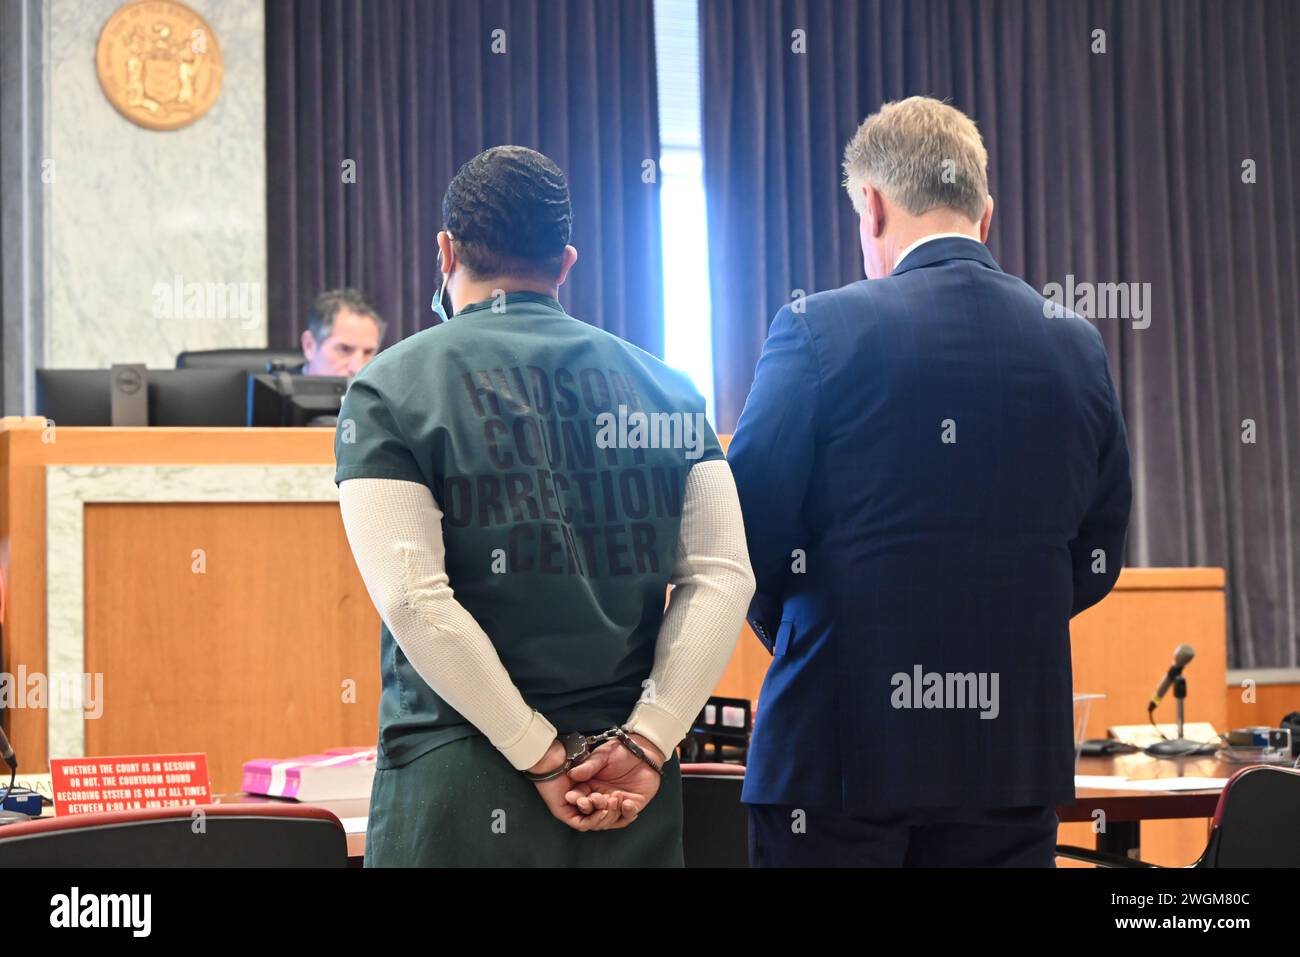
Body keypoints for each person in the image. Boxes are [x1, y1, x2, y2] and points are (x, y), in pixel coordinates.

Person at [728, 96, 1132, 867]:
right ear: (987, 215)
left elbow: (741, 536)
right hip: (1011, 761)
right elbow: (1098, 551)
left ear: (871, 208)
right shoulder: (1077, 344)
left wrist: (809, 628)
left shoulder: (817, 328)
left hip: (835, 756)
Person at [334, 145, 754, 866]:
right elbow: (724, 576)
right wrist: (649, 737)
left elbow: (415, 601)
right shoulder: (671, 393)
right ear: (566, 263)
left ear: (445, 251)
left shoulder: (387, 390)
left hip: (459, 785)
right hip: (627, 791)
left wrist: (540, 753)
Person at [300, 288, 384, 376]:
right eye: (344, 349)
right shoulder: (284, 388)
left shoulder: (380, 388)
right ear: (309, 346)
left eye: (368, 352)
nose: (358, 368)